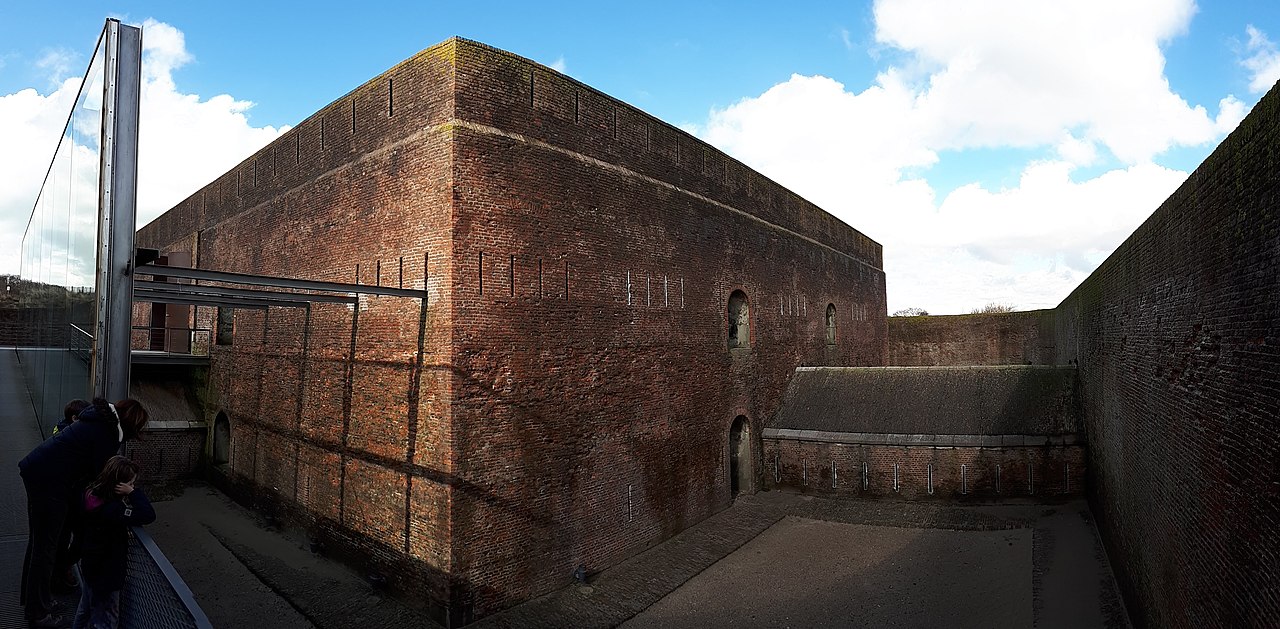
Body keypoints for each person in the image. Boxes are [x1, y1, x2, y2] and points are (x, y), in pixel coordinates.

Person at [18, 398, 148, 628]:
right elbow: (99, 476)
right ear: (132, 424)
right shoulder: (106, 435)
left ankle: (36, 603)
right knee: (45, 548)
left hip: (41, 473)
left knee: (41, 544)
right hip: (50, 483)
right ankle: (38, 613)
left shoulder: (98, 420)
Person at [71, 456, 155, 629]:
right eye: (130, 484)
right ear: (119, 486)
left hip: (90, 566)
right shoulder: (112, 510)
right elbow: (148, 514)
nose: (132, 487)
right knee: (106, 619)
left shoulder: (90, 493)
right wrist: (132, 494)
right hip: (106, 575)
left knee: (85, 608)